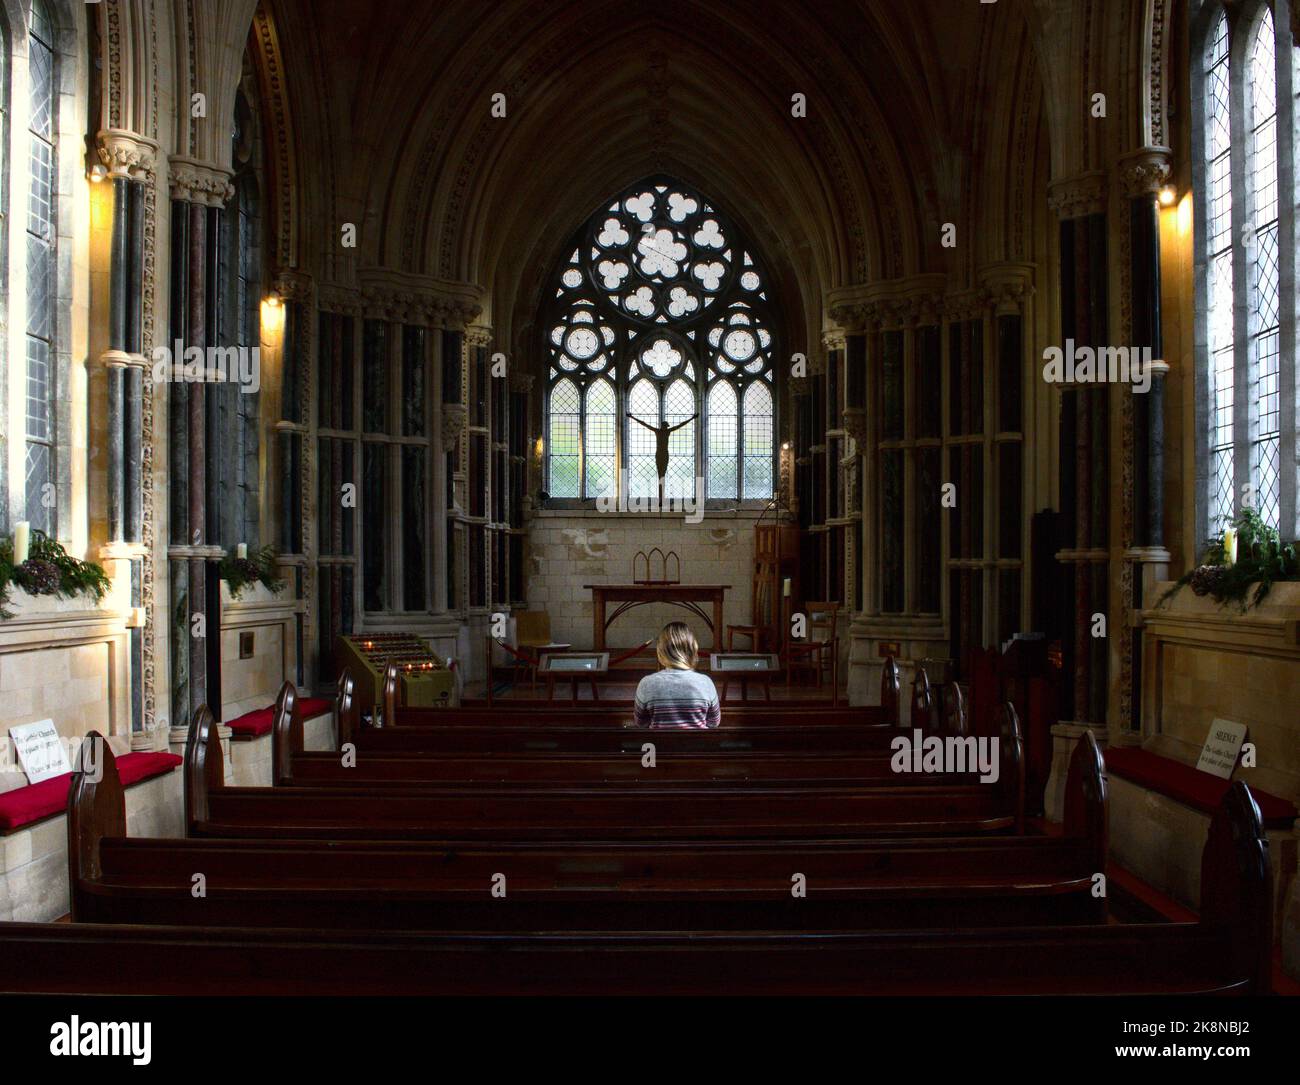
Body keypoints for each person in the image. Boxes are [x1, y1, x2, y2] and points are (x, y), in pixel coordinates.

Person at [633, 621, 721, 729]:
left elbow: (641, 723)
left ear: (661, 651)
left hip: (659, 745)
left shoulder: (646, 683)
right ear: (692, 649)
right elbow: (713, 723)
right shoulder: (706, 682)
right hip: (698, 745)